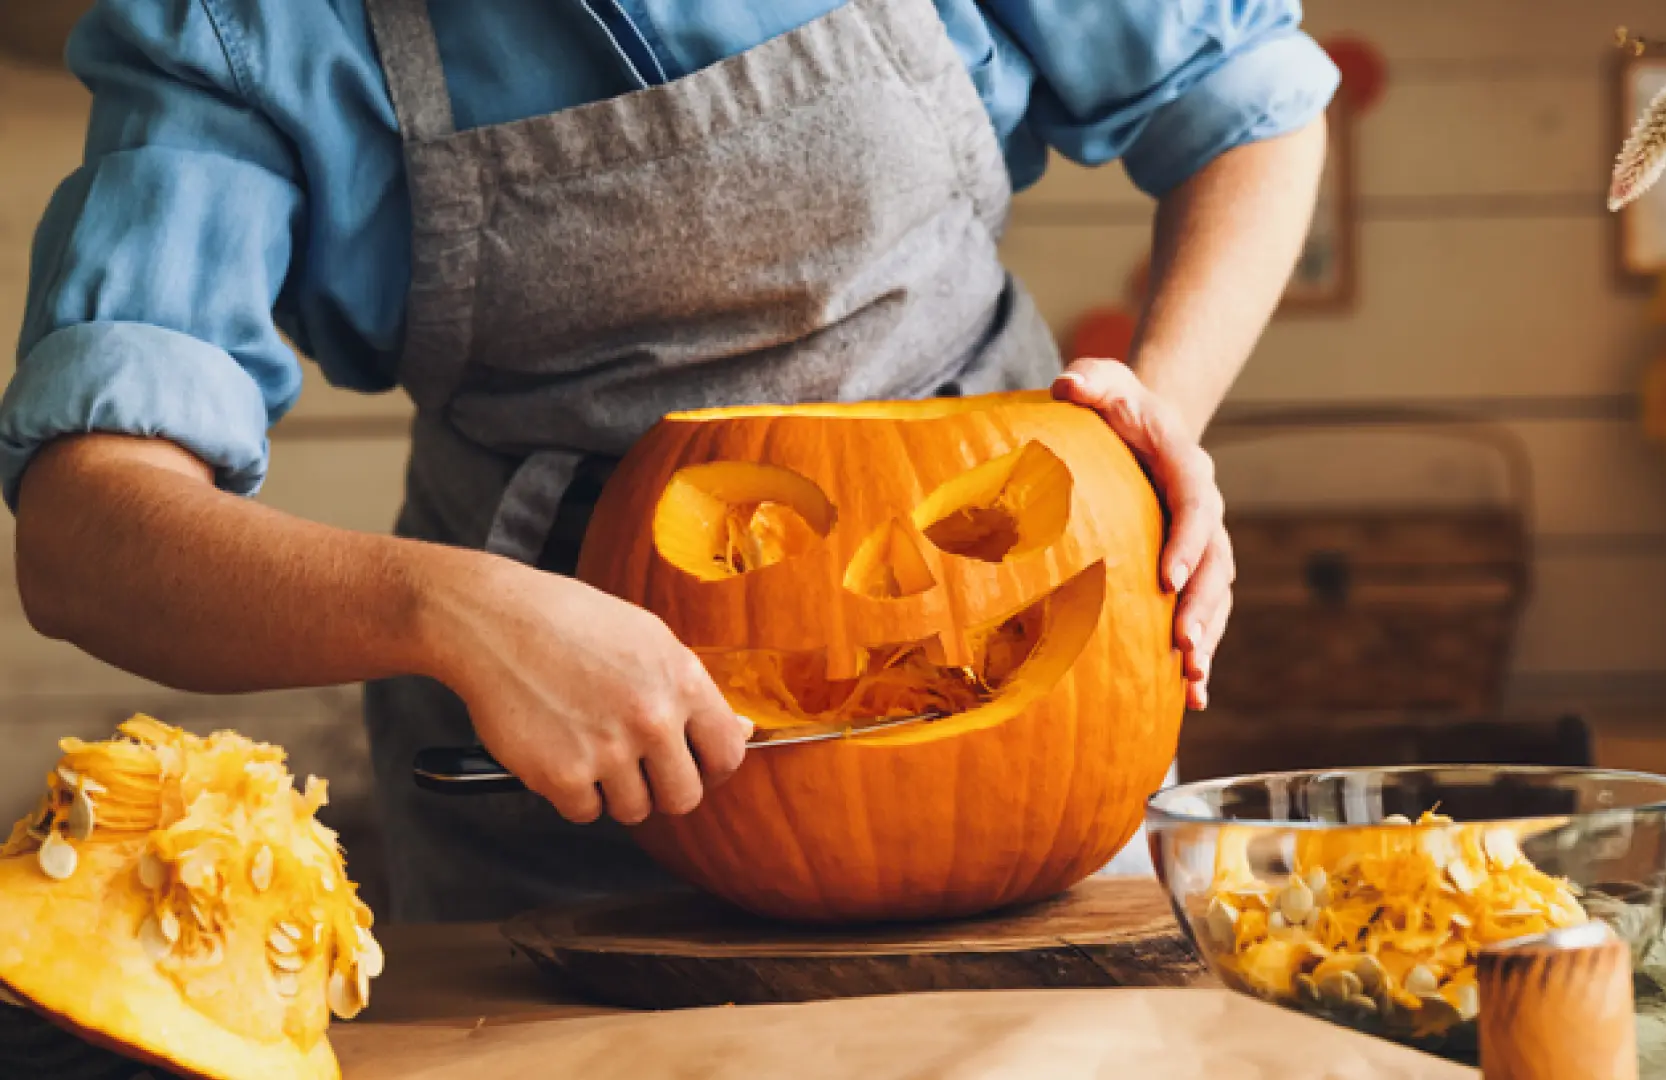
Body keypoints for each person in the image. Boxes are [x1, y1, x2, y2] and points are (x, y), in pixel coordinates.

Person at [1, 0, 1337, 922]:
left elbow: (1250, 106)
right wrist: (447, 608)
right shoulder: (251, 28)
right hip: (556, 827)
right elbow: (84, 531)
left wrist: (1154, 415)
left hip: (1031, 717)